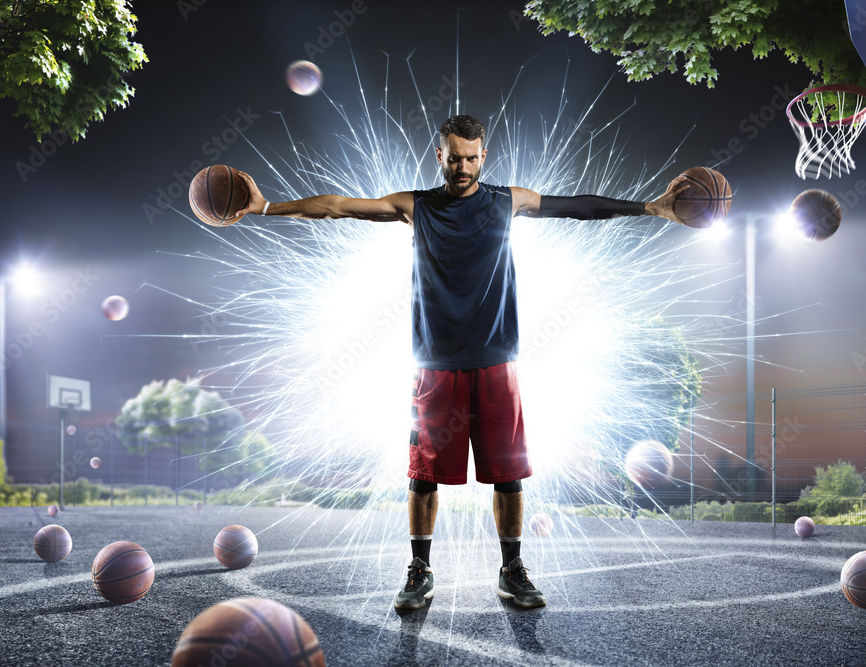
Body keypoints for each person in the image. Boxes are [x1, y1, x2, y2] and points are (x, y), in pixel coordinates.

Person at [234, 114, 689, 611]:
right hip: (435, 364)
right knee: (423, 476)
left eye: (472, 158)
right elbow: (337, 207)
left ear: (483, 156)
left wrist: (651, 207)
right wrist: (266, 207)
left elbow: (578, 206)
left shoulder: (507, 201)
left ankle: (512, 570)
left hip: (497, 362)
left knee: (508, 475)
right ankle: (419, 570)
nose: (463, 168)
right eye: (455, 158)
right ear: (440, 156)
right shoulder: (416, 206)